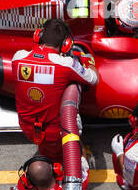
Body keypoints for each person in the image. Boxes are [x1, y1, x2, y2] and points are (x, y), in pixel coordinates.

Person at [11, 18, 98, 157]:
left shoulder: (18, 57)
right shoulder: (66, 64)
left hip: (27, 127)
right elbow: (93, 79)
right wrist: (88, 60)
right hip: (55, 132)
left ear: (38, 35)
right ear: (66, 44)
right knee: (73, 152)